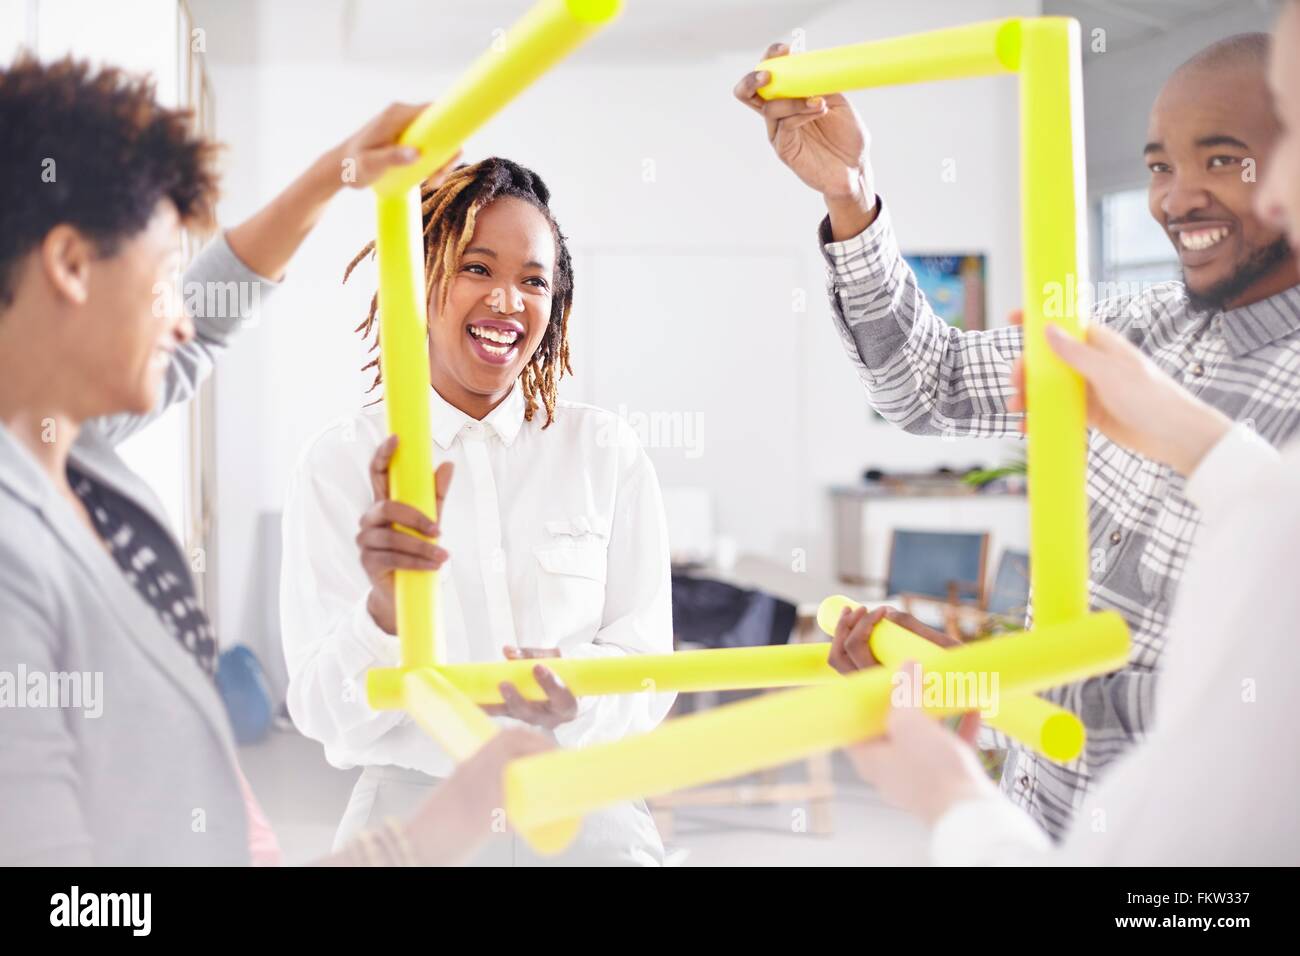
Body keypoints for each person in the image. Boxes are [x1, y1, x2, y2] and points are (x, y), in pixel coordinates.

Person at [734, 32, 1300, 839]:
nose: (1176, 200)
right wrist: (851, 197)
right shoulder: (1132, 327)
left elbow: (1234, 717)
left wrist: (980, 688)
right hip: (1037, 823)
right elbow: (927, 384)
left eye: (1222, 159)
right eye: (1159, 167)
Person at [0, 52, 549, 866]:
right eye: (160, 281)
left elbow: (212, 314)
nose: (182, 323)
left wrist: (338, 174)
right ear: (72, 266)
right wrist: (424, 837)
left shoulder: (70, 452)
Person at [280, 158, 675, 866]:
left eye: (533, 280)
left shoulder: (603, 450)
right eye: (476, 268)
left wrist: (577, 694)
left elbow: (648, 668)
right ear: (419, 277)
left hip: (586, 806)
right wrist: (384, 612)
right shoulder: (340, 462)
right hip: (416, 811)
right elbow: (319, 712)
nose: (506, 300)